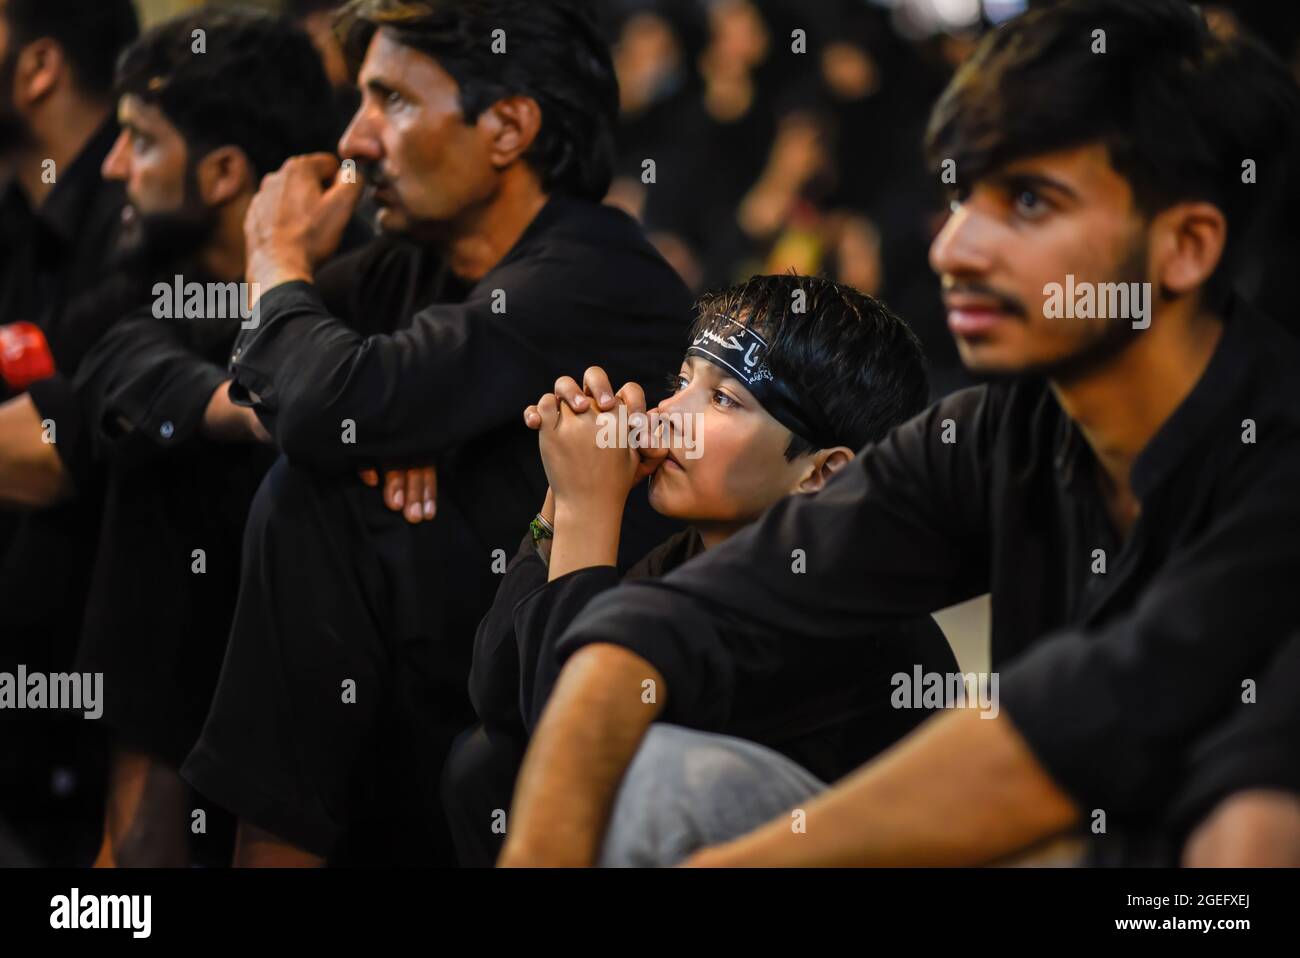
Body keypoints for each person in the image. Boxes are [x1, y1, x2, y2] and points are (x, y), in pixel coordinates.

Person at [499, 0, 1300, 868]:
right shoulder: (998, 434)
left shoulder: (1273, 460)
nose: (954, 247)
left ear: (1185, 245)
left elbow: (1050, 744)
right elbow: (676, 620)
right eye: (963, 197)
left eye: (1029, 201)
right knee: (613, 766)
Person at [181, 0, 689, 866]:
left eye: (394, 101)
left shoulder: (594, 269)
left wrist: (274, 264)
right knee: (189, 460)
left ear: (508, 127)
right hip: (428, 687)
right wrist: (254, 406)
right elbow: (157, 346)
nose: (355, 140)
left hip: (561, 683)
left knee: (313, 496)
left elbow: (328, 398)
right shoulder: (412, 262)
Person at [444, 274, 954, 865]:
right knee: (483, 767)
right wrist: (557, 510)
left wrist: (591, 507)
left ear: (823, 474)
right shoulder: (700, 553)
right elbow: (501, 699)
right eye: (682, 382)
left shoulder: (822, 597)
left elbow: (577, 746)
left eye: (723, 400)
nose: (668, 415)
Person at [55, 9, 344, 867]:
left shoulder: (357, 281)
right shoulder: (156, 276)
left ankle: (134, 853)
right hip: (147, 731)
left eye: (139, 141)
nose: (111, 166)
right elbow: (109, 366)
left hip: (321, 751)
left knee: (174, 470)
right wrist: (239, 409)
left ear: (222, 171)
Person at [0, 0, 138, 865]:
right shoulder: (16, 215)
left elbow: (47, 450)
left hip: (89, 745)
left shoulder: (147, 220)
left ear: (39, 65)